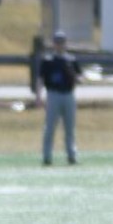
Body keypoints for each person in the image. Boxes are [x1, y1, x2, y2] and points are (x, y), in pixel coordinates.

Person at [37, 29, 81, 167]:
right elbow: (40, 79)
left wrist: (74, 75)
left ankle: (71, 155)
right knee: (50, 127)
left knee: (70, 128)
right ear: (53, 44)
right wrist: (38, 96)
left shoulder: (71, 60)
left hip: (68, 94)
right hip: (53, 94)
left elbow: (79, 78)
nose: (59, 45)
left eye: (62, 42)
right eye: (57, 42)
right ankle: (47, 156)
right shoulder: (48, 60)